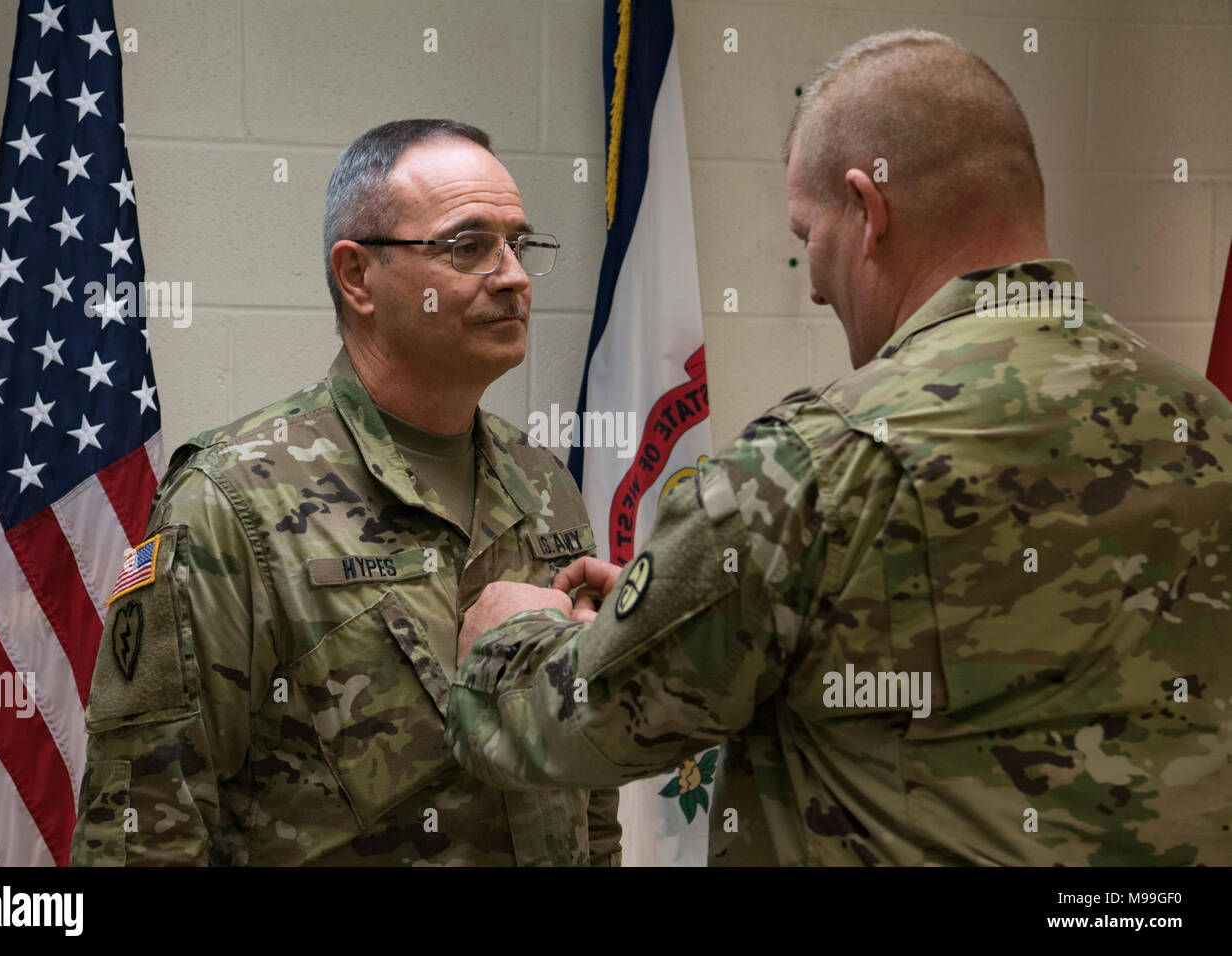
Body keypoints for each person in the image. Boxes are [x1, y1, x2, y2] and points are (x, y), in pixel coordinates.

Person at [445, 31, 1232, 866]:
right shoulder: (1206, 419)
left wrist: (508, 637)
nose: (813, 282)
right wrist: (674, 600)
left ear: (867, 208)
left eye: (806, 233)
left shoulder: (824, 462)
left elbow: (582, 723)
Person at [71, 119, 621, 865]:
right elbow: (143, 829)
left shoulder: (544, 485)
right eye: (469, 247)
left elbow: (587, 792)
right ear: (358, 276)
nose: (514, 276)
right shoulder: (234, 500)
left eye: (519, 244)